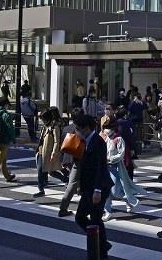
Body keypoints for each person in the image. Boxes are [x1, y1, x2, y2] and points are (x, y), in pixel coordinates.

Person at [74, 114, 113, 259]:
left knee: (96, 219)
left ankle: (102, 251)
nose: (77, 131)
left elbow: (100, 167)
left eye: (78, 129)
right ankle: (102, 243)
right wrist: (81, 185)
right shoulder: (85, 141)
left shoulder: (98, 142)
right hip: (88, 187)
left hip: (99, 187)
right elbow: (83, 166)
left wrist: (97, 190)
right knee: (80, 217)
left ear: (86, 128)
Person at [101, 116, 145, 221]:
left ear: (112, 127)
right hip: (103, 167)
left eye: (107, 127)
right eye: (104, 127)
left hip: (114, 167)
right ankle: (107, 212)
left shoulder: (118, 139)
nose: (106, 130)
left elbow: (121, 154)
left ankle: (130, 199)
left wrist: (110, 159)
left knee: (115, 191)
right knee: (105, 191)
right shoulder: (103, 137)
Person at [34, 109, 68, 197]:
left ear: (48, 118)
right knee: (42, 170)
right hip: (42, 151)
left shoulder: (54, 127)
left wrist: (54, 152)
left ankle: (66, 180)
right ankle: (41, 188)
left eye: (44, 119)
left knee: (50, 171)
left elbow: (56, 141)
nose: (42, 121)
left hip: (49, 152)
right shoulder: (44, 127)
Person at [58, 107, 84, 217]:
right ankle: (63, 208)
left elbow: (62, 144)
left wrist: (61, 159)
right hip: (79, 159)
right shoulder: (83, 129)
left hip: (68, 158)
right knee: (73, 183)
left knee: (75, 181)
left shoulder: (66, 129)